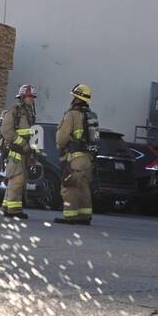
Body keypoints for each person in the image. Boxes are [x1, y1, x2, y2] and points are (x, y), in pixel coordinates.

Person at [54, 83, 99, 225]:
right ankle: (85, 215)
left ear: (76, 98)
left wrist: (60, 146)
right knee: (83, 186)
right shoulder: (91, 115)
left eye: (74, 96)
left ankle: (70, 216)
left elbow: (62, 137)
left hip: (75, 158)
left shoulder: (71, 115)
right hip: (88, 159)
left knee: (69, 186)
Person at [0, 84, 38, 219]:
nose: (32, 99)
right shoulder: (14, 111)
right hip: (15, 151)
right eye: (29, 96)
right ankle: (14, 211)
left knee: (14, 181)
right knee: (17, 180)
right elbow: (7, 131)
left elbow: (31, 133)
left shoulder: (29, 113)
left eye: (32, 97)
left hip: (24, 153)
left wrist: (33, 150)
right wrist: (23, 144)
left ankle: (6, 207)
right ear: (22, 97)